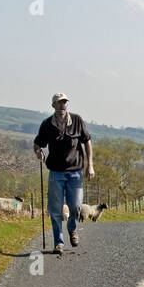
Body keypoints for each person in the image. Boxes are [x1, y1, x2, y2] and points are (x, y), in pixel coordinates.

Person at [33, 93, 94, 254]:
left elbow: (87, 140)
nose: (62, 105)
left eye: (65, 102)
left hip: (75, 172)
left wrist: (90, 165)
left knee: (75, 207)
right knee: (55, 209)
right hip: (56, 173)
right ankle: (58, 242)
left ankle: (72, 228)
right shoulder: (47, 124)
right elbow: (38, 143)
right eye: (59, 103)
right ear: (53, 105)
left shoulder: (77, 120)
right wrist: (38, 152)